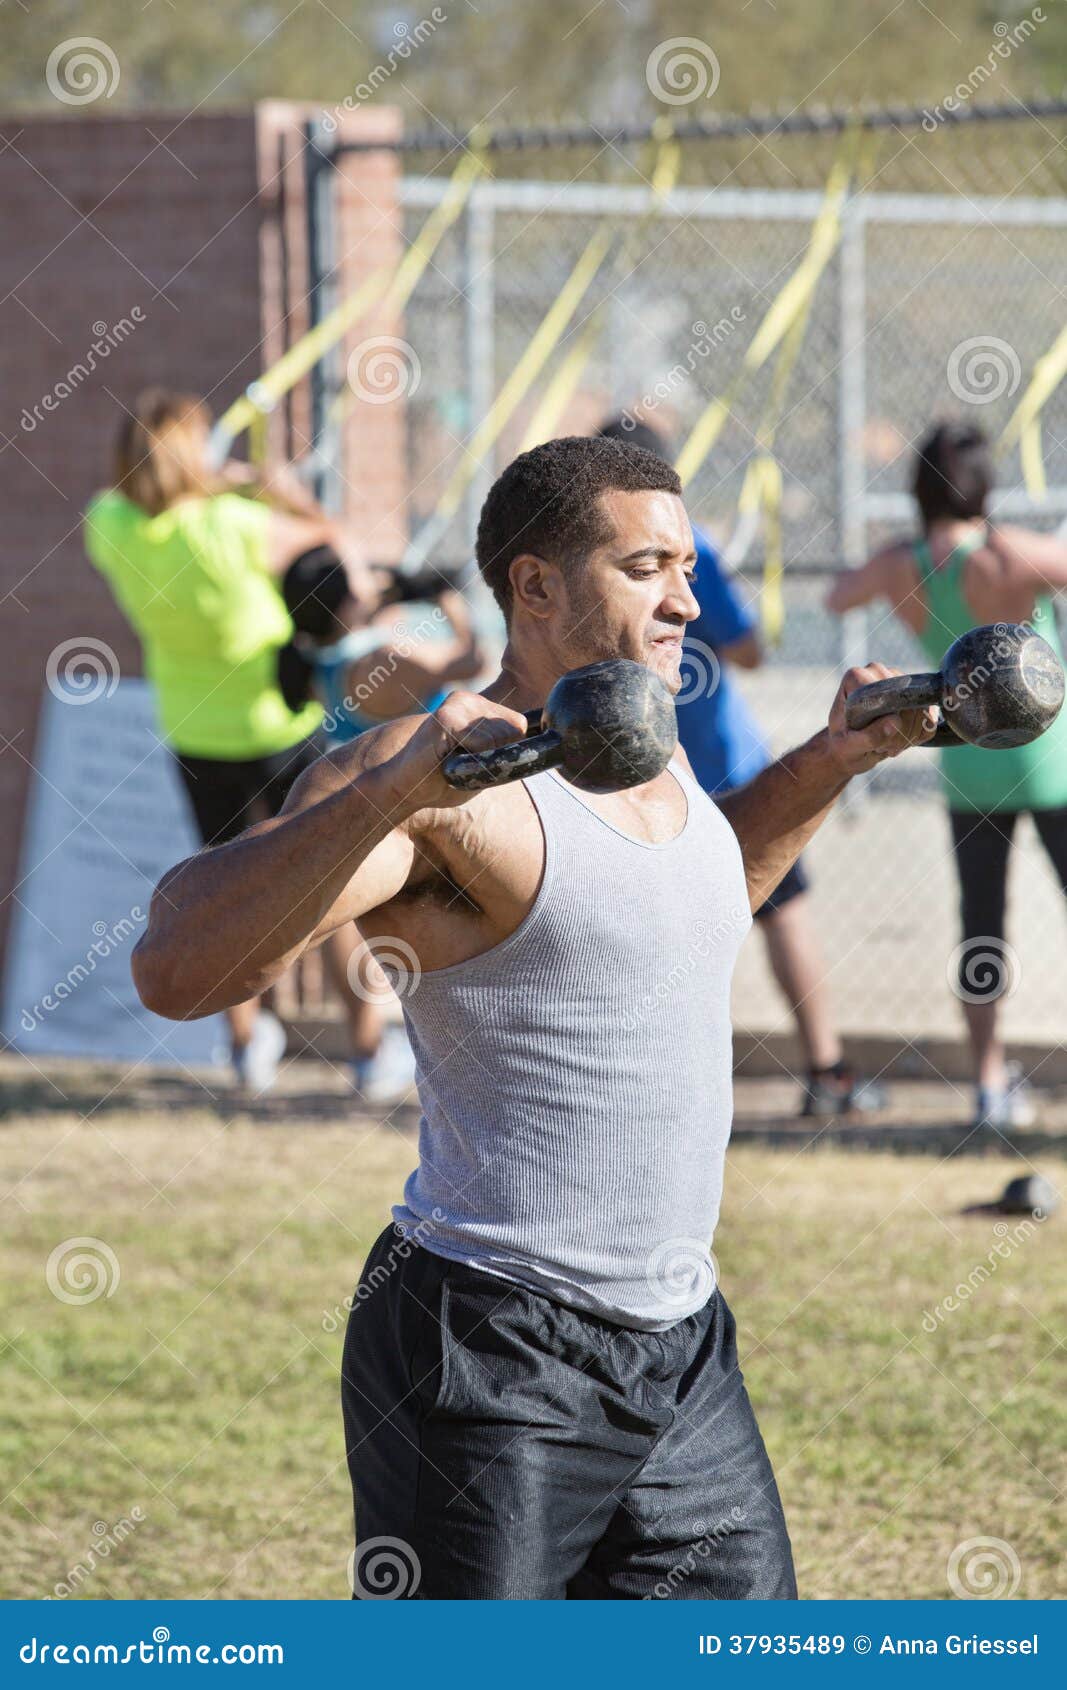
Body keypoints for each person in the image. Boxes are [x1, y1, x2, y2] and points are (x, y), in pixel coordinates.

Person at [131, 435, 933, 1600]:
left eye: (687, 567)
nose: (685, 598)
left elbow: (674, 912)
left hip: (681, 1350)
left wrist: (825, 762)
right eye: (646, 565)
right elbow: (174, 966)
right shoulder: (440, 773)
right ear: (535, 585)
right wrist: (386, 797)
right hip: (491, 1356)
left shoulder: (641, 750)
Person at [83, 388, 370, 1092]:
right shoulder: (235, 526)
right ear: (194, 455)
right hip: (277, 723)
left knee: (223, 887)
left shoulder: (108, 524)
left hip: (193, 730)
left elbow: (139, 496)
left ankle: (247, 1046)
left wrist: (226, 482)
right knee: (330, 881)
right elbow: (338, 554)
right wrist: (285, 493)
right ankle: (368, 1051)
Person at [599, 417, 883, 1118]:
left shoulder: (608, 570)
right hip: (719, 772)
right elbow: (750, 649)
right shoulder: (694, 556)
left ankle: (811, 1072)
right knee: (780, 917)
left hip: (669, 770)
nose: (677, 592)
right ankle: (825, 1069)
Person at [826, 420, 1067, 1129]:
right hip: (1050, 768)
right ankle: (994, 1088)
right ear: (981, 484)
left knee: (981, 933)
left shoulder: (902, 563)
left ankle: (989, 1086)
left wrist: (894, 572)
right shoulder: (1005, 555)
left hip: (970, 771)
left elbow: (835, 596)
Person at [277, 546, 486, 1100]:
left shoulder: (325, 658)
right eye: (359, 576)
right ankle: (435, 1060)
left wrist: (396, 600)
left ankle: (368, 1050)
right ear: (342, 603)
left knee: (354, 927)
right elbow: (471, 662)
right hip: (425, 817)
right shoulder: (385, 659)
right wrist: (448, 600)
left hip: (361, 810)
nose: (373, 577)